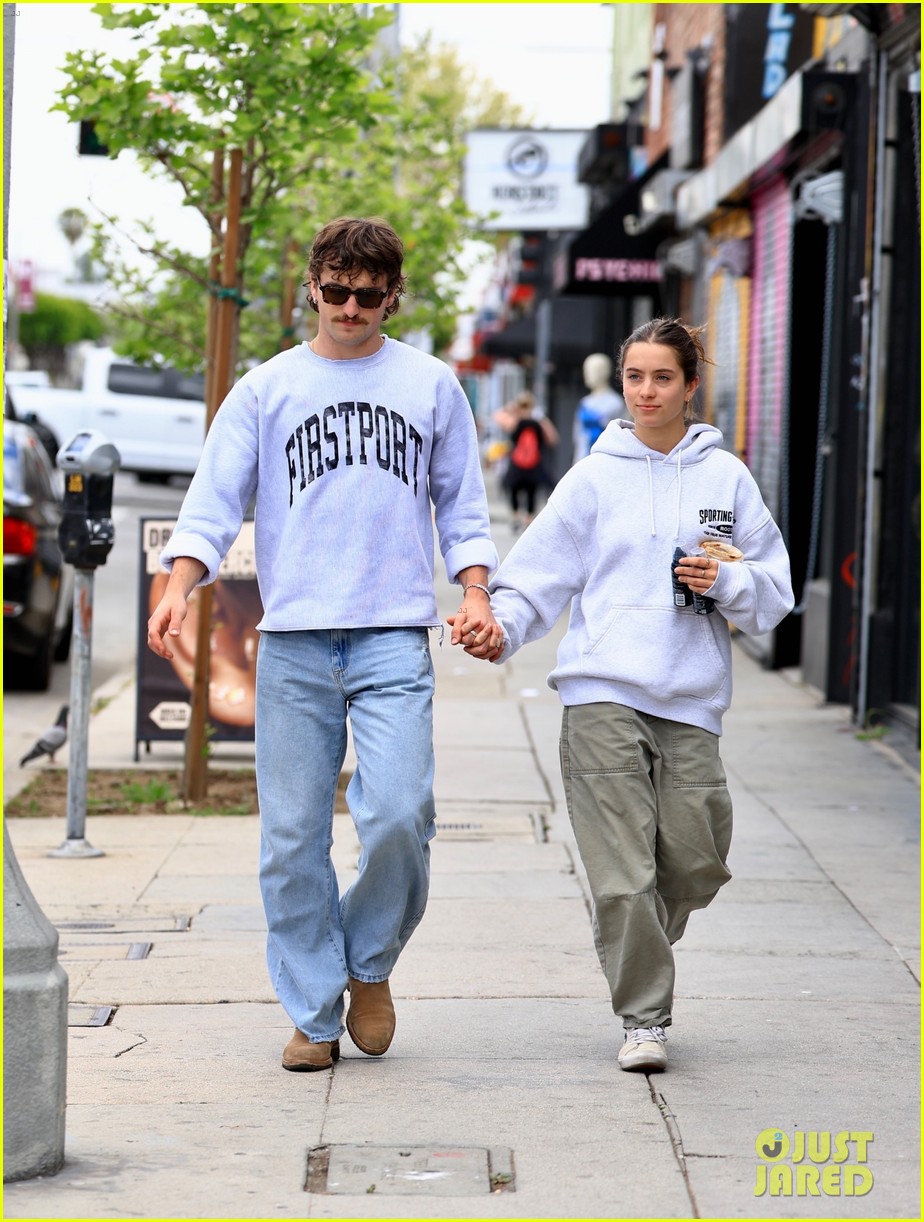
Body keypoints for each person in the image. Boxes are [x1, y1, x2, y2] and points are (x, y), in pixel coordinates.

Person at [148, 216, 502, 1072]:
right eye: (336, 290)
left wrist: (478, 591)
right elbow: (213, 499)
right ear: (312, 285)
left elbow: (462, 507)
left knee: (399, 816)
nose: (350, 307)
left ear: (392, 296)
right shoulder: (268, 390)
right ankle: (313, 1010)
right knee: (292, 835)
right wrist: (176, 584)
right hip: (296, 642)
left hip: (390, 637)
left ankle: (369, 963)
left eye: (369, 295)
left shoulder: (429, 385)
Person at [449, 318, 794, 1072]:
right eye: (635, 376)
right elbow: (536, 575)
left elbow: (773, 596)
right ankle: (644, 1017)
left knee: (699, 859)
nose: (644, 391)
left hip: (691, 699)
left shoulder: (726, 478)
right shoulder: (594, 476)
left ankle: (630, 935)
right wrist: (498, 630)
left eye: (661, 377)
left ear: (689, 386)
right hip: (602, 690)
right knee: (623, 873)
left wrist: (728, 580)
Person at [496, 390, 558, 531]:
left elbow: (498, 418)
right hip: (532, 464)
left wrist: (511, 409)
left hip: (519, 464)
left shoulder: (516, 421)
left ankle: (517, 515)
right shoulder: (537, 422)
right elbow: (552, 438)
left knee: (513, 488)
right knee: (531, 491)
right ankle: (527, 518)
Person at [573, 352, 624, 463]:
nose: (587, 374)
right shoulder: (585, 402)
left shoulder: (615, 403)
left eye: (592, 370)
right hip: (582, 459)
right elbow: (578, 435)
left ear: (604, 372)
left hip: (605, 460)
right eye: (586, 370)